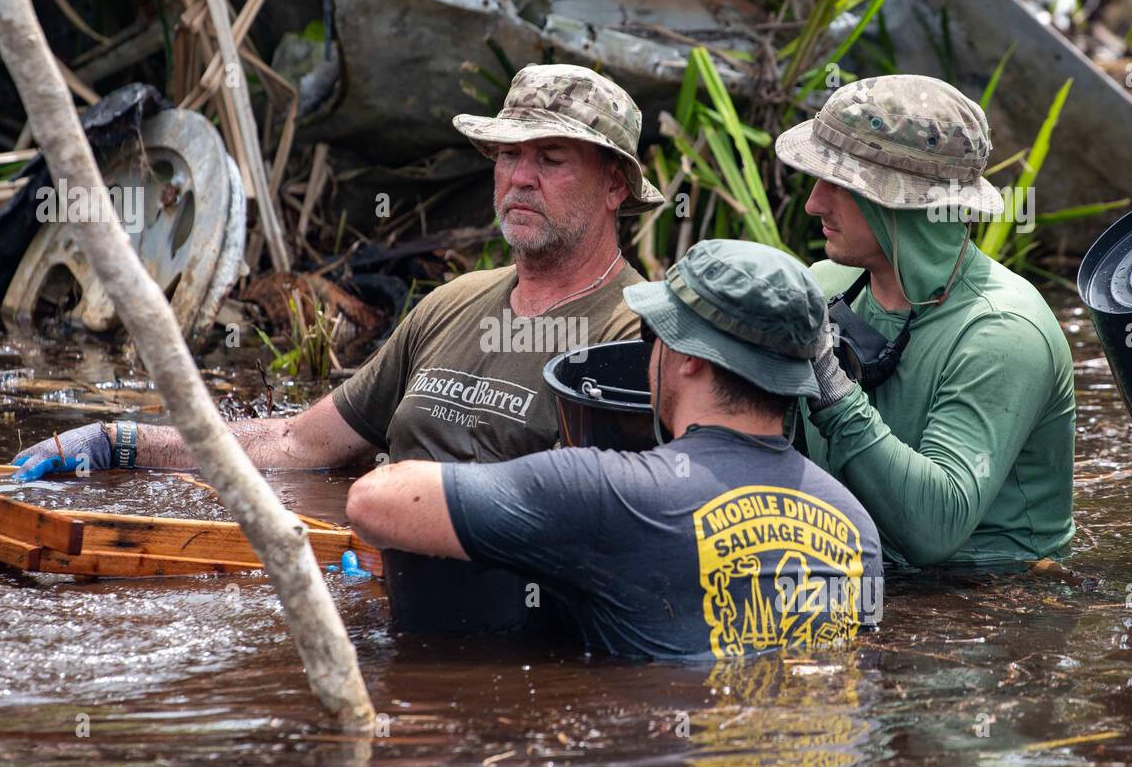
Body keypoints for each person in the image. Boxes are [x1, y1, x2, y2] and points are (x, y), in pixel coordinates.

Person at [12, 63, 665, 632]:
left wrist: (405, 559)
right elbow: (299, 443)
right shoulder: (451, 303)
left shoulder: (634, 338)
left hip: (493, 639)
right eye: (507, 155)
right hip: (380, 602)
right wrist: (123, 443)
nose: (520, 178)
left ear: (615, 187)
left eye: (550, 160)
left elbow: (595, 536)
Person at [345, 240, 883, 659]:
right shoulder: (856, 527)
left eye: (656, 334)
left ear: (688, 357)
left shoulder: (606, 491)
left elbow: (375, 499)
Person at [773, 74, 1075, 568]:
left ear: (900, 203)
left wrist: (833, 390)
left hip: (989, 609)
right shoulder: (826, 286)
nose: (813, 203)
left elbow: (937, 527)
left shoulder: (1003, 331)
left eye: (839, 183)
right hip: (857, 575)